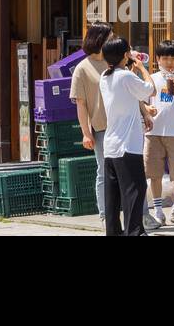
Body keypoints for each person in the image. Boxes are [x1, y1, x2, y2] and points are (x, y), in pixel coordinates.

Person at [97, 35, 155, 236]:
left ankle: (113, 232)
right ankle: (134, 232)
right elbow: (150, 89)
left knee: (112, 194)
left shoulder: (105, 76)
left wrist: (144, 113)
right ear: (124, 55)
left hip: (111, 145)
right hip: (127, 145)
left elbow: (130, 94)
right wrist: (141, 68)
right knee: (135, 190)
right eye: (128, 51)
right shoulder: (126, 76)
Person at [144, 38, 174, 228]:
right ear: (157, 59)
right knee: (154, 174)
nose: (169, 62)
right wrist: (148, 111)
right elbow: (144, 102)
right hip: (153, 133)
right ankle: (157, 211)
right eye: (165, 58)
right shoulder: (151, 80)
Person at [70, 21, 112, 220]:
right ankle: (105, 215)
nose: (112, 42)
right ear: (99, 40)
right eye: (110, 38)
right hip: (101, 127)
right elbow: (81, 104)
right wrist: (86, 133)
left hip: (121, 125)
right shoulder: (82, 69)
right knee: (103, 172)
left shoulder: (113, 61)